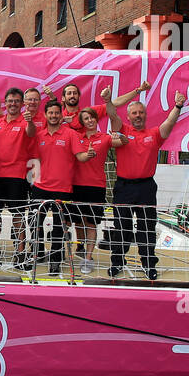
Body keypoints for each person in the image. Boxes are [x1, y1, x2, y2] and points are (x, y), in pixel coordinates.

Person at [105, 87, 187, 280]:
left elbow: (169, 122)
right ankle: (117, 262)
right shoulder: (121, 131)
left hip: (146, 187)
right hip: (124, 187)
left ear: (146, 115)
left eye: (141, 112)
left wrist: (178, 105)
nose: (138, 115)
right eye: (134, 113)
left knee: (147, 227)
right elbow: (112, 115)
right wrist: (108, 100)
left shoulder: (154, 134)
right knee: (121, 227)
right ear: (129, 116)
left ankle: (149, 263)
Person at [25, 99, 82, 275]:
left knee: (59, 226)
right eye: (51, 113)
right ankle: (37, 252)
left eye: (57, 112)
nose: (54, 115)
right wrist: (33, 182)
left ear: (61, 114)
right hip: (41, 187)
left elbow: (80, 157)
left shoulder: (71, 134)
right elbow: (33, 161)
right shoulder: (39, 135)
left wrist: (88, 155)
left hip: (63, 188)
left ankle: (55, 260)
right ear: (46, 115)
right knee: (35, 222)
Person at [0, 87, 35, 266]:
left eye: (16, 101)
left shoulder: (26, 122)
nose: (13, 104)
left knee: (18, 215)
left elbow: (31, 133)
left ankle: (20, 252)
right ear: (5, 103)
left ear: (22, 104)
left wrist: (30, 122)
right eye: (10, 101)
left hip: (17, 176)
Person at [71, 106, 114, 275]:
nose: (89, 121)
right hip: (75, 185)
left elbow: (120, 141)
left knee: (91, 223)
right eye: (86, 119)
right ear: (82, 122)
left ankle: (88, 258)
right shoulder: (76, 137)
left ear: (97, 119)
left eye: (92, 118)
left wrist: (120, 137)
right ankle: (80, 247)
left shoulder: (105, 138)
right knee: (77, 221)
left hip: (96, 186)